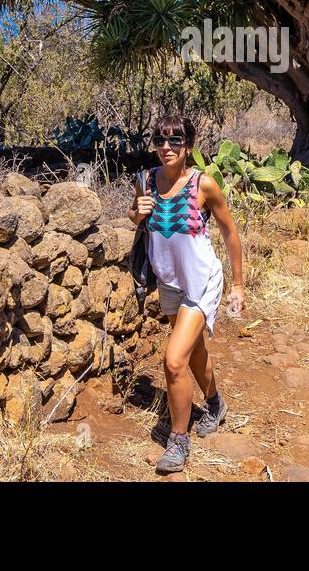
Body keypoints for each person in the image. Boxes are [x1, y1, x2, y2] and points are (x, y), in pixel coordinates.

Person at [130, 113, 244, 474]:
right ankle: (215, 403)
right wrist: (136, 213)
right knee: (193, 350)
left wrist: (238, 284)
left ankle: (178, 440)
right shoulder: (145, 180)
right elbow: (138, 221)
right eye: (160, 140)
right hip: (169, 281)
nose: (166, 147)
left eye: (175, 141)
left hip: (201, 282)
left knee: (173, 360)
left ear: (188, 147)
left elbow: (230, 233)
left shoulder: (203, 184)